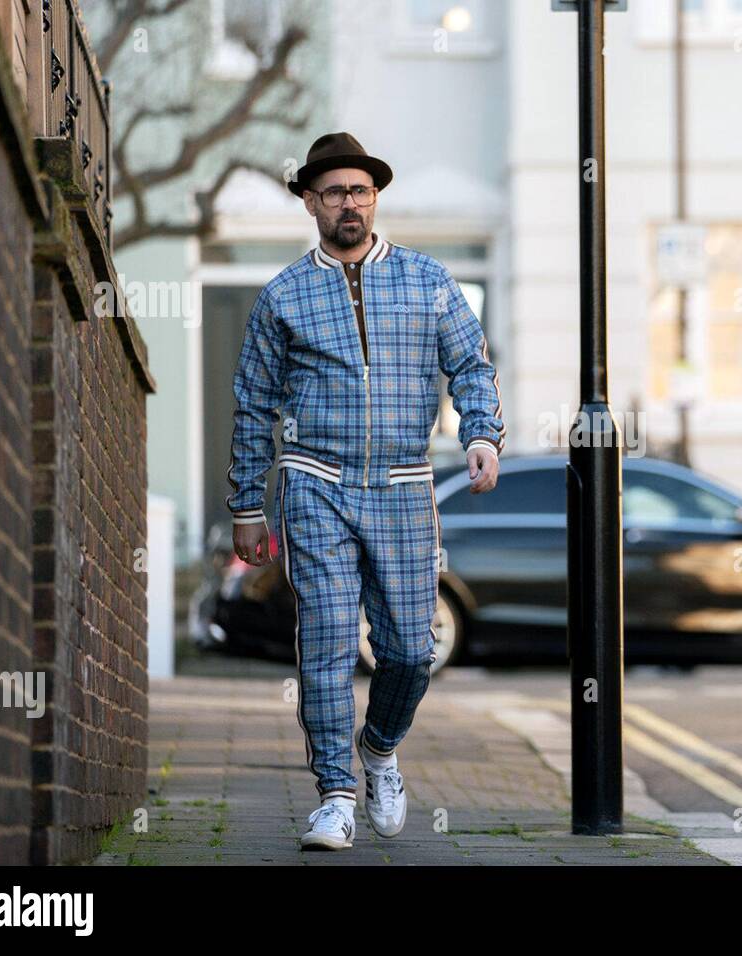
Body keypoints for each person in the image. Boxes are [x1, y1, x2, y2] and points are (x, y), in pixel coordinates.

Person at [225, 132, 505, 850]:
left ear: (374, 197)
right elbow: (254, 405)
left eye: (360, 191)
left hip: (405, 487)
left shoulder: (428, 280)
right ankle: (335, 795)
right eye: (334, 193)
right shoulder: (282, 296)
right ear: (311, 202)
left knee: (411, 650)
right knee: (323, 643)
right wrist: (248, 507)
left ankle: (379, 749)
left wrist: (480, 434)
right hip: (315, 482)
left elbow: (471, 363)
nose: (348, 203)